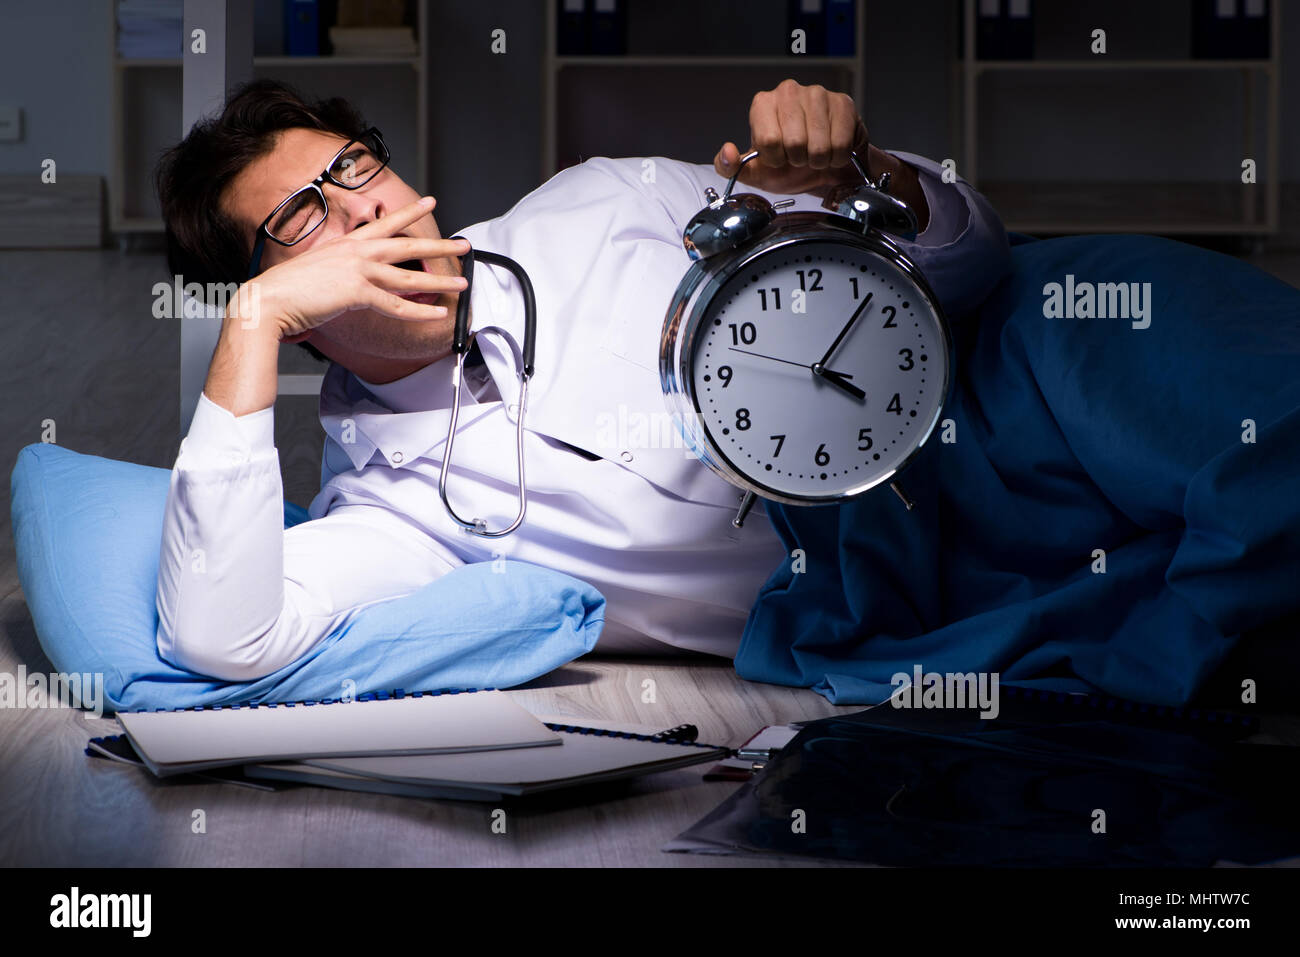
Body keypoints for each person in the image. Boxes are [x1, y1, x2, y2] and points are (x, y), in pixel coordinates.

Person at [153, 78, 1011, 681]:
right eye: (302, 217)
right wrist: (251, 322)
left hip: (1000, 402)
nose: (362, 208)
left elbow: (971, 263)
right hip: (949, 600)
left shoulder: (602, 203)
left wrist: (863, 172)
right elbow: (219, 634)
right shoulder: (387, 514)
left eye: (355, 167)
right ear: (283, 292)